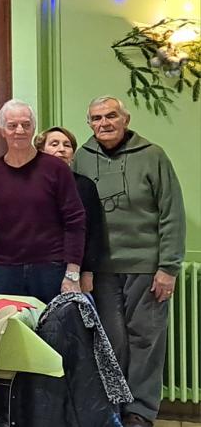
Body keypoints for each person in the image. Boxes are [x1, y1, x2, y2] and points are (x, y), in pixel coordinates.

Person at [73, 96, 185, 427]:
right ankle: (114, 407)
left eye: (111, 116)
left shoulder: (153, 156)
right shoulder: (82, 157)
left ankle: (141, 411)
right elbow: (77, 216)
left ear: (126, 119)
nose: (104, 123)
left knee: (146, 341)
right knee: (111, 342)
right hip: (102, 270)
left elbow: (171, 213)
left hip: (147, 268)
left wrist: (169, 268)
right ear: (89, 123)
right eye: (96, 118)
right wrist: (82, 267)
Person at [0, 100, 86, 304]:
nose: (20, 130)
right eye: (12, 125)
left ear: (34, 128)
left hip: (52, 268)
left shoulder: (56, 169)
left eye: (26, 124)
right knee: (8, 333)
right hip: (3, 271)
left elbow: (75, 221)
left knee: (53, 334)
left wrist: (72, 272)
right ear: (2, 130)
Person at [35, 126, 105, 293]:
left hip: (73, 269)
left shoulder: (85, 186)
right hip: (35, 266)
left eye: (67, 145)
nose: (61, 149)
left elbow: (94, 232)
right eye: (54, 144)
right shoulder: (30, 184)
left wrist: (87, 272)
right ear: (40, 151)